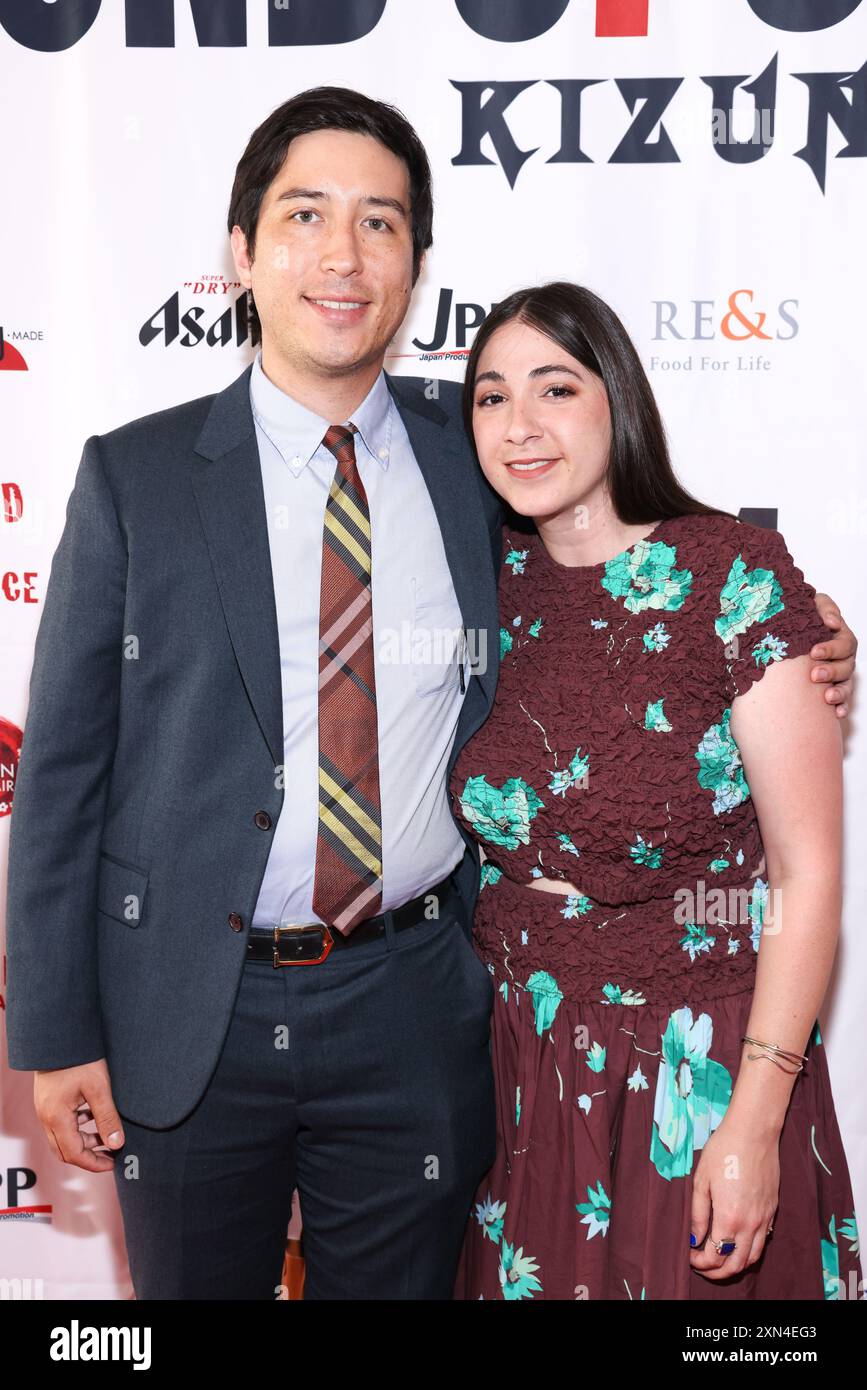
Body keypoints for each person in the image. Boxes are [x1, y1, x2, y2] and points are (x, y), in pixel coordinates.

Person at [3, 88, 855, 1302]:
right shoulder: (134, 477)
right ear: (242, 253)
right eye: (307, 215)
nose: (344, 256)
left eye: (383, 223)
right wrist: (52, 1029)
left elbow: (638, 581)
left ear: (414, 266)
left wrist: (808, 635)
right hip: (189, 1007)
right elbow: (61, 778)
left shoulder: (481, 453)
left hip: (414, 1000)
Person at [449, 280, 863, 1301]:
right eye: (492, 397)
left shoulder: (735, 577)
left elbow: (807, 876)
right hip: (517, 1066)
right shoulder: (482, 581)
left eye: (555, 387)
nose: (522, 424)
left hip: (697, 1069)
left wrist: (757, 1117)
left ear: (618, 401)